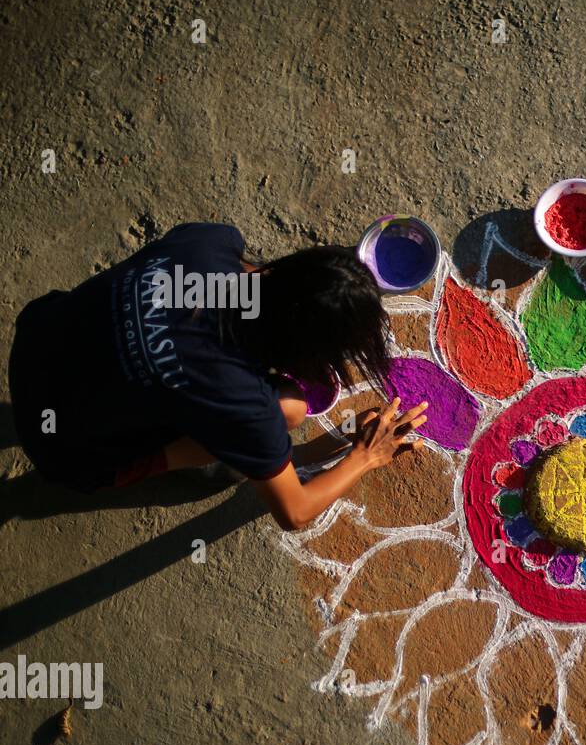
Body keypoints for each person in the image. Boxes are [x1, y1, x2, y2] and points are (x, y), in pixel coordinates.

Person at [7, 222, 426, 530]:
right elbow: (295, 512)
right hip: (64, 454)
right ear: (304, 352)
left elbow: (269, 289)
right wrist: (364, 456)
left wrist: (333, 281)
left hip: (35, 344)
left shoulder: (208, 245)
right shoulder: (240, 400)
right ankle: (191, 462)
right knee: (290, 411)